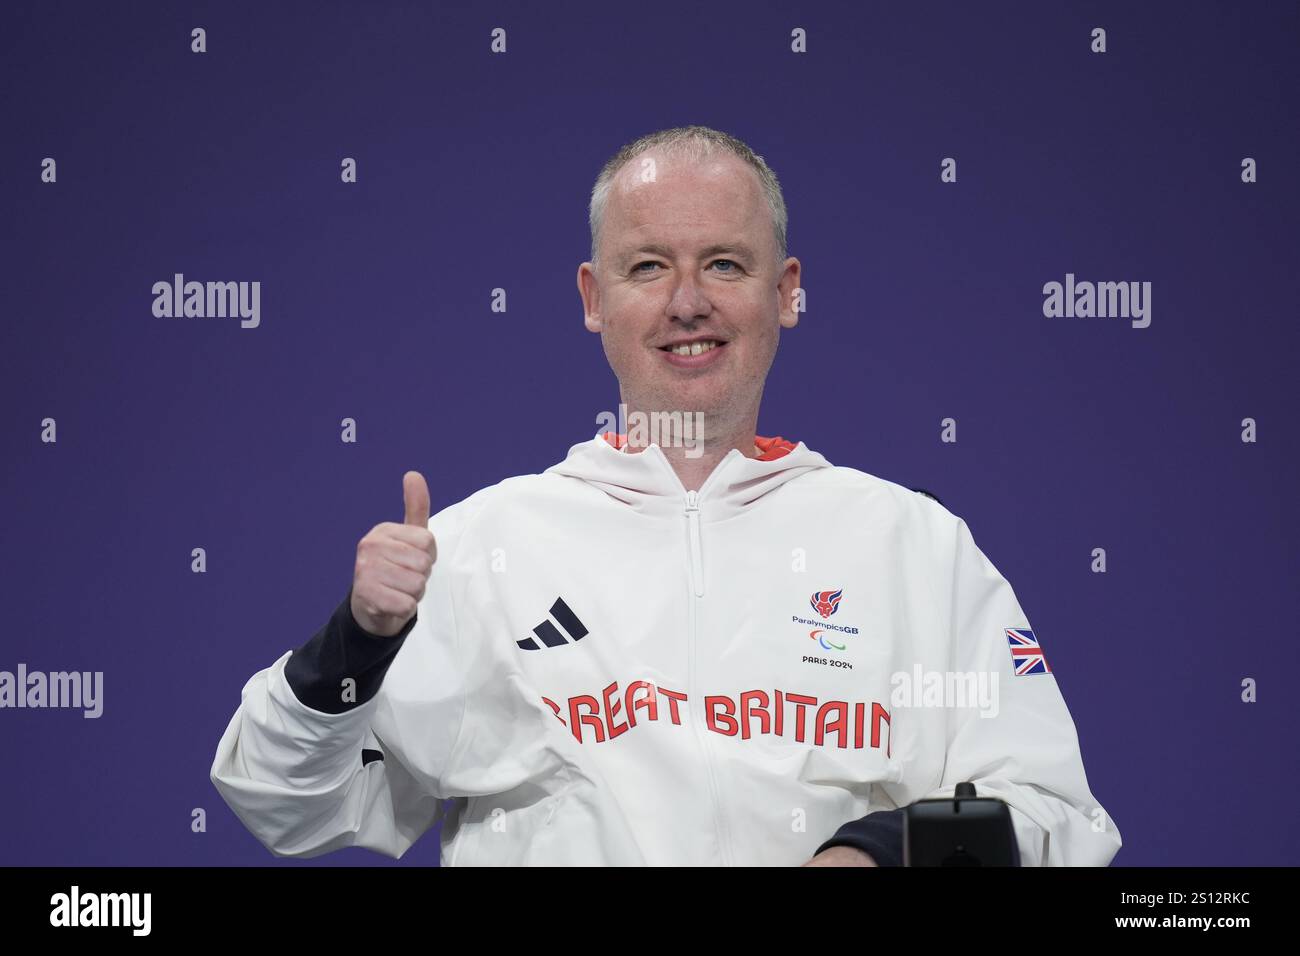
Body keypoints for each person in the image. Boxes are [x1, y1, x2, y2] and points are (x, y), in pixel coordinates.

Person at [210, 126, 1122, 866]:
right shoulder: (483, 546)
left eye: (724, 263)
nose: (687, 301)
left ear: (786, 291)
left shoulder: (911, 545)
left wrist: (879, 853)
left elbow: (1054, 821)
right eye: (647, 267)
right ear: (593, 297)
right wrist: (357, 644)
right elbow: (285, 806)